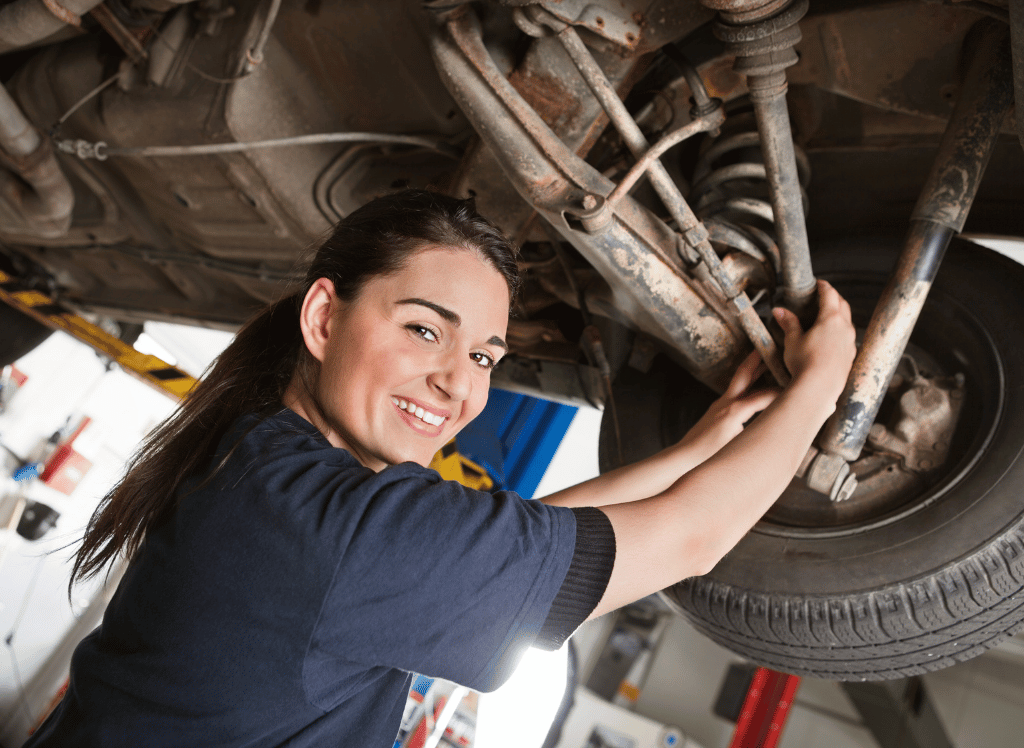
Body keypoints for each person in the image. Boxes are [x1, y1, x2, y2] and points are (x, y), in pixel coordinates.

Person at [26, 189, 856, 747]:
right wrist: (821, 384)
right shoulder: (335, 530)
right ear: (323, 317)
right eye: (425, 329)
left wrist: (697, 447)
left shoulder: (262, 462)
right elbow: (691, 540)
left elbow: (514, 540)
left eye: (487, 355)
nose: (460, 383)